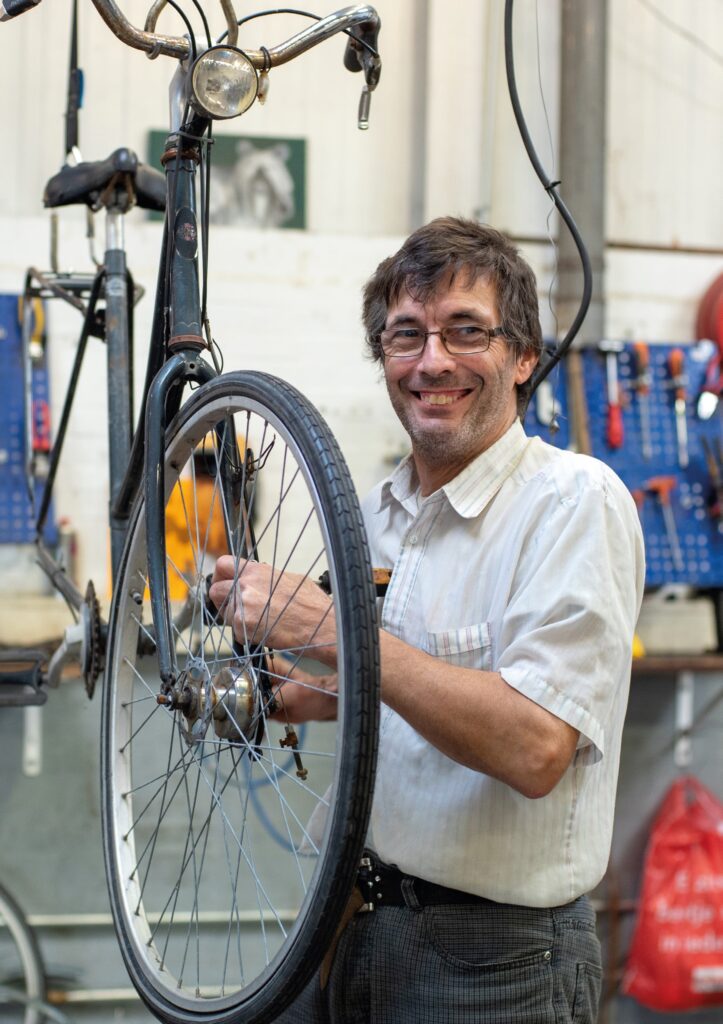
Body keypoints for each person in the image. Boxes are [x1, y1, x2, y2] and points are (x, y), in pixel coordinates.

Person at [210, 218, 645, 1023]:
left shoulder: (573, 504)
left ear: (522, 357)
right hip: (350, 922)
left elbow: (534, 744)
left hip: (495, 964)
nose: (431, 360)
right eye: (404, 336)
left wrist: (336, 631)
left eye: (465, 332)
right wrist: (308, 693)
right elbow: (418, 680)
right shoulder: (377, 512)